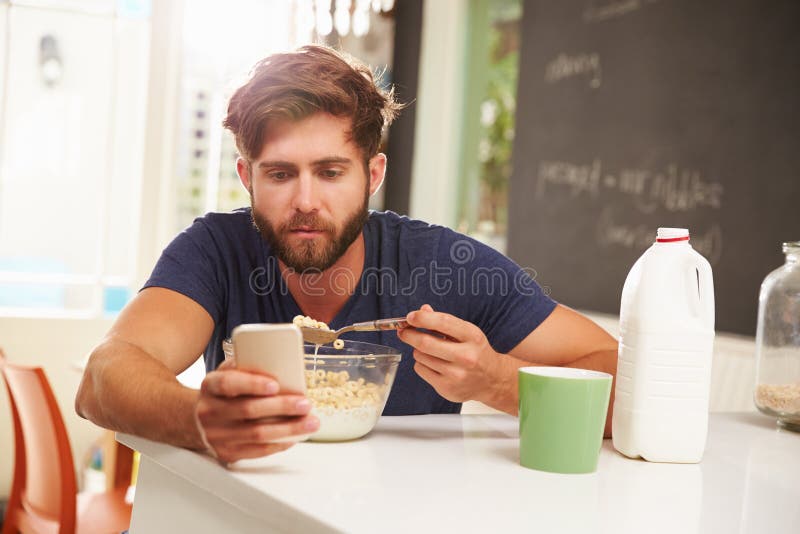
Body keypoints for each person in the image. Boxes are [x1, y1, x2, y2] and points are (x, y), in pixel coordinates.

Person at [76, 45, 618, 464]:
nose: (306, 201)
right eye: (280, 174)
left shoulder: (445, 265)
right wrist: (200, 417)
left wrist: (496, 380)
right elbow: (103, 377)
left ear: (373, 175)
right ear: (246, 177)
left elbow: (618, 378)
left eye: (331, 172)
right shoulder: (216, 251)